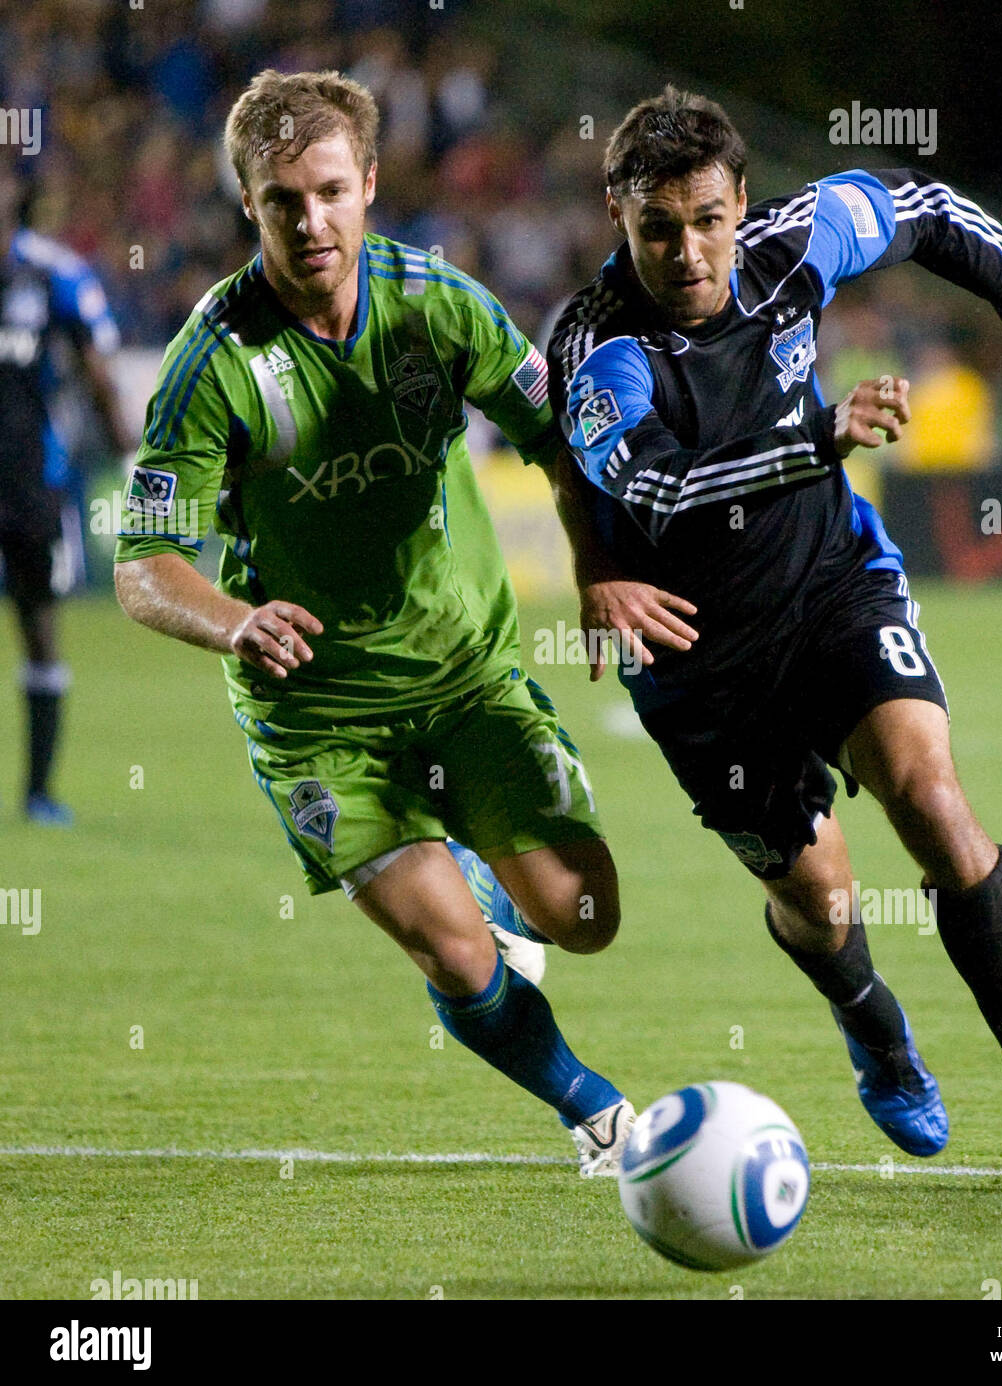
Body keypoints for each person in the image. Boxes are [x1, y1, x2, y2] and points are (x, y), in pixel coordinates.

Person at [544, 86, 1002, 1192]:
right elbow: (660, 489)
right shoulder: (598, 343)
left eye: (707, 218)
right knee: (819, 902)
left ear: (739, 203)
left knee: (932, 801)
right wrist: (814, 434)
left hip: (829, 589)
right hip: (695, 658)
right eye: (656, 226)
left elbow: (932, 212)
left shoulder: (795, 241)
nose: (686, 251)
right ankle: (871, 1022)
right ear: (615, 210)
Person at [114, 69, 635, 1176]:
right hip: (318, 718)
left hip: (462, 675)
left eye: (330, 191)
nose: (311, 221)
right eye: (280, 201)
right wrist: (234, 623)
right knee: (453, 955)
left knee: (583, 914)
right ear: (246, 206)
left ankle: (490, 884)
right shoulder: (211, 364)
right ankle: (599, 1117)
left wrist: (596, 569)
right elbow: (144, 565)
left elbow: (552, 439)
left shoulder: (440, 305)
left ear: (370, 186)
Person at [0, 160, 129, 825]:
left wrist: (129, 454)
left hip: (28, 485)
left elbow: (97, 370)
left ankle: (39, 791)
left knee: (40, 626)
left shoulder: (52, 274)